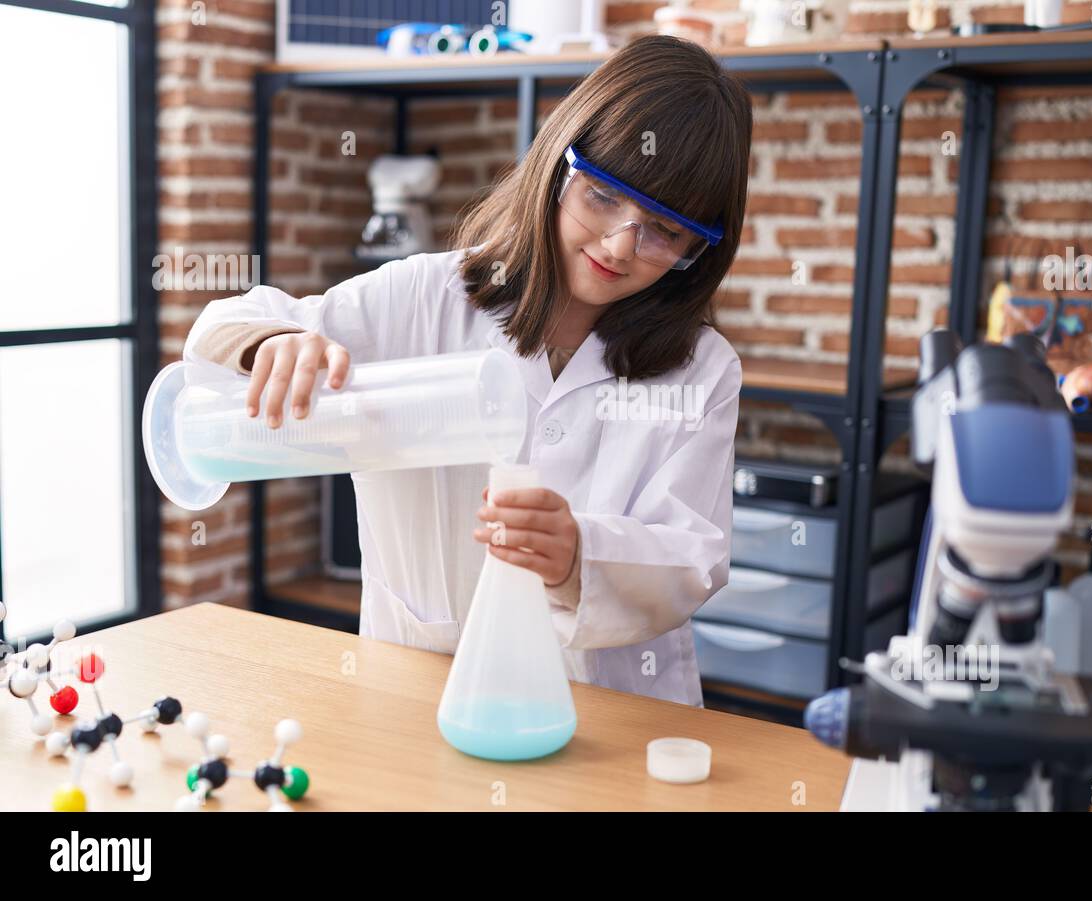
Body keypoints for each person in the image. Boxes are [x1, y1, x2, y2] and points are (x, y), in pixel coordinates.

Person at [183, 35, 752, 707]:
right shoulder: (426, 297)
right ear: (556, 165)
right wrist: (272, 342)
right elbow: (219, 331)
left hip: (616, 709)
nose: (619, 245)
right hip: (421, 687)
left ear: (700, 248)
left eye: (664, 231)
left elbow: (693, 556)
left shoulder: (704, 370)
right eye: (602, 196)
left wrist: (580, 555)